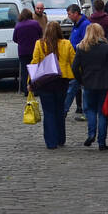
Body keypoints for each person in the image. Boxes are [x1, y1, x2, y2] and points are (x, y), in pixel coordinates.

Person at [30, 20, 76, 149]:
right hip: (62, 80)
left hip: (45, 81)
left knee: (48, 111)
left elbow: (35, 62)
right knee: (59, 109)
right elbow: (73, 60)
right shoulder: (66, 44)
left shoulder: (40, 44)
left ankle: (51, 141)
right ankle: (61, 138)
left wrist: (30, 81)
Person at [73, 22, 108, 149]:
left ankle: (91, 134)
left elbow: (75, 67)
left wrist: (81, 80)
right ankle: (102, 142)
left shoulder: (82, 47)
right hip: (103, 83)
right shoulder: (107, 47)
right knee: (103, 113)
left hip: (88, 82)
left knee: (90, 110)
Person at [64, 4, 92, 120]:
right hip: (76, 61)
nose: (68, 16)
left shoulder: (85, 25)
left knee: (80, 87)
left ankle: (85, 112)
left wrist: (72, 47)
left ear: (76, 13)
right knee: (73, 87)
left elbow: (86, 43)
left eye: (69, 14)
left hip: (83, 62)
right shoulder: (77, 24)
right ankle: (63, 110)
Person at [12, 8, 44, 95]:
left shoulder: (18, 26)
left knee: (24, 71)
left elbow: (15, 39)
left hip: (23, 51)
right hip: (34, 50)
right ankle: (36, 90)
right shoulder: (35, 24)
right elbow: (40, 34)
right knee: (35, 69)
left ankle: (26, 90)